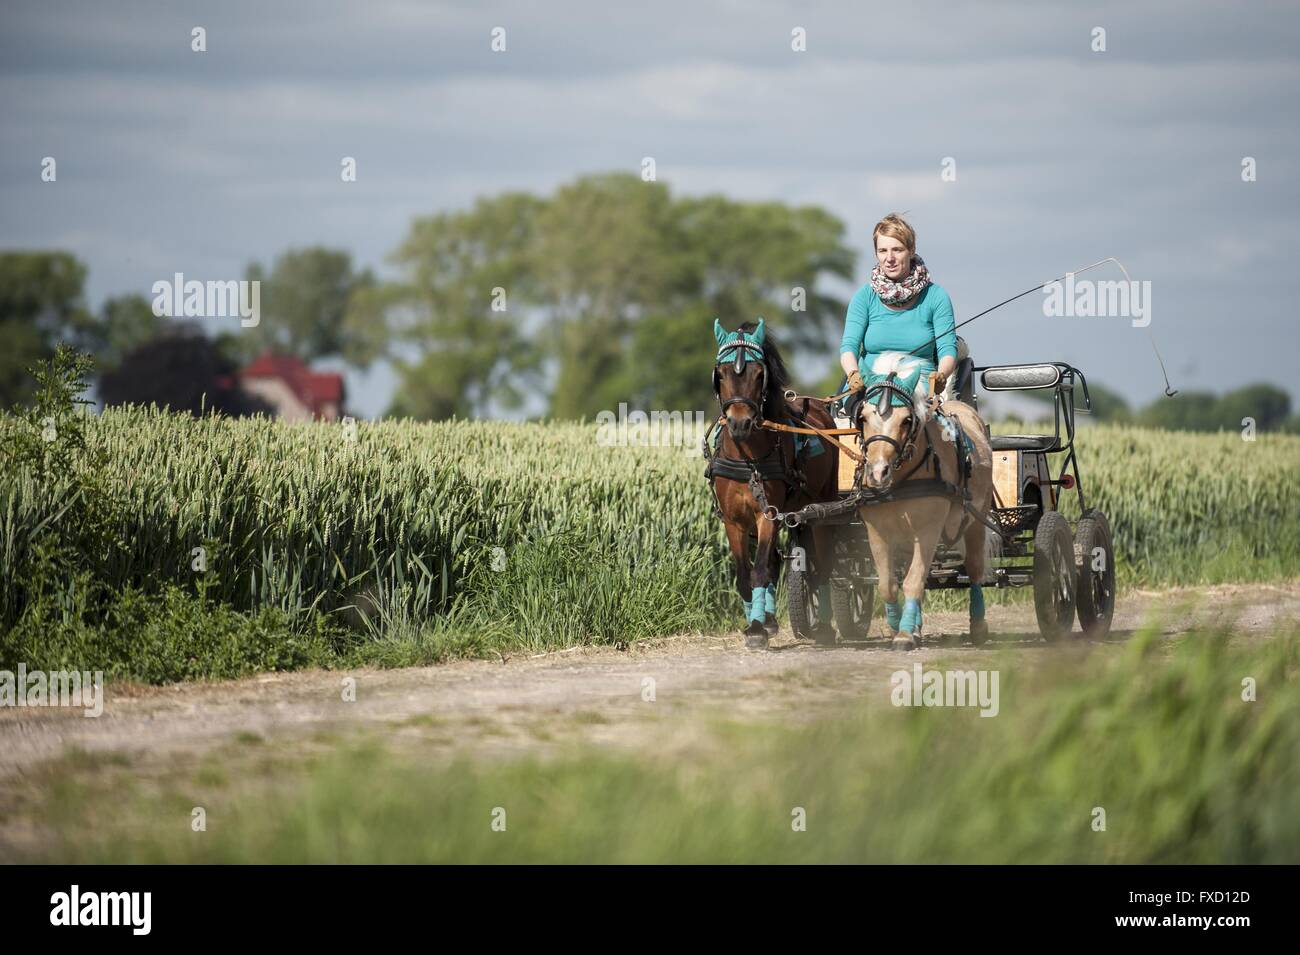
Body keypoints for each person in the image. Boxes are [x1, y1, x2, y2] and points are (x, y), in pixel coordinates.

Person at [839, 213, 969, 416]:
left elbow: (947, 351)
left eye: (897, 250)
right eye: (882, 251)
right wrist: (853, 374)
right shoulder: (864, 297)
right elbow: (849, 347)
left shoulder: (936, 296)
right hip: (870, 385)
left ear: (911, 251)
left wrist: (941, 375)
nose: (889, 258)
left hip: (919, 387)